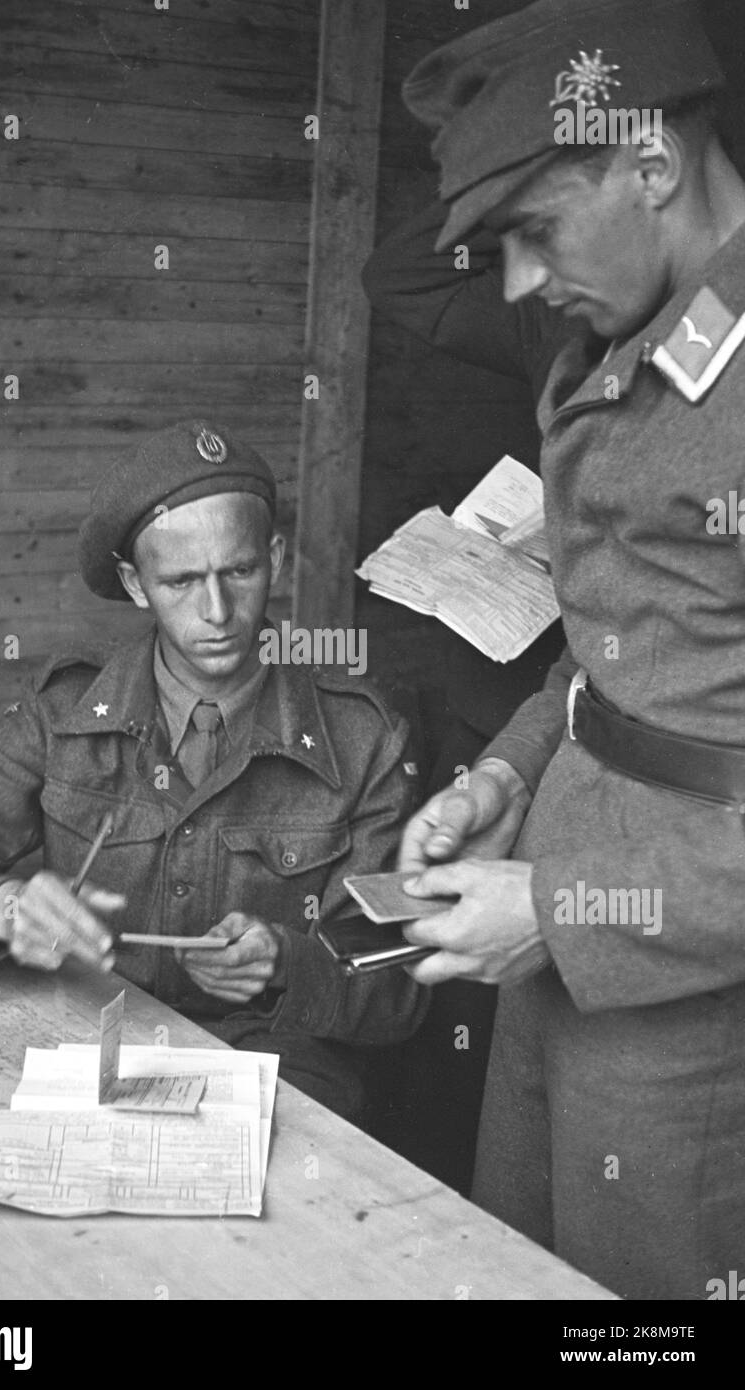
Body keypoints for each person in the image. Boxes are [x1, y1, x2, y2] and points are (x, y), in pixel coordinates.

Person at [383, 0, 745, 1299]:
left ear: (652, 162)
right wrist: (504, 779)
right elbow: (618, 649)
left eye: (537, 229)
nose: (522, 284)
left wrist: (555, 910)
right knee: (523, 1263)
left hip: (687, 991)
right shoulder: (628, 336)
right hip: (561, 901)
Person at [0, 420, 428, 1119]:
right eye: (181, 581)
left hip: (280, 1072)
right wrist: (0, 908)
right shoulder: (67, 712)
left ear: (279, 560)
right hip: (87, 1043)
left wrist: (289, 962)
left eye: (240, 571)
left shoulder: (362, 737)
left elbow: (402, 988)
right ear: (136, 586)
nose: (219, 611)